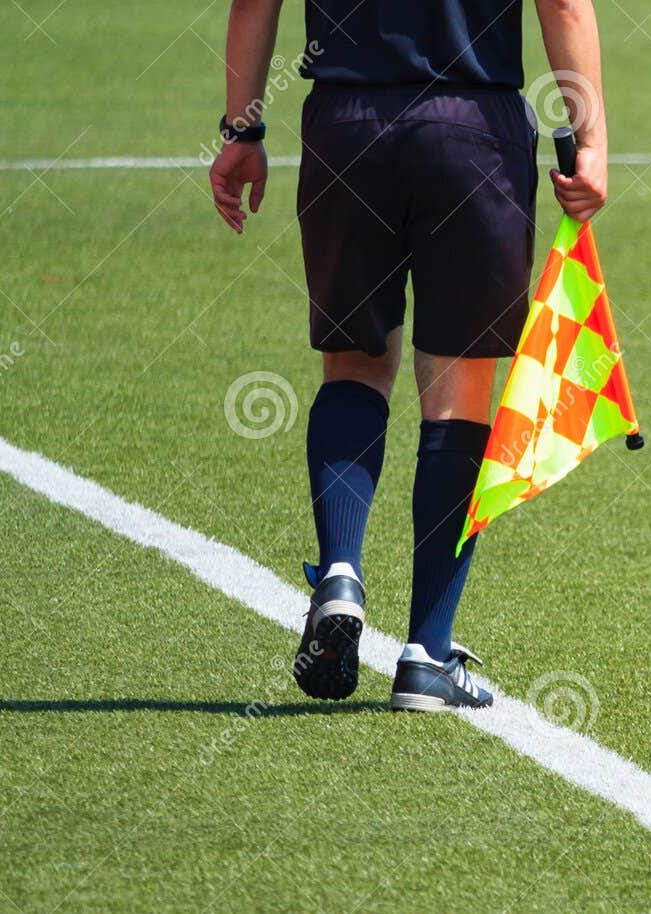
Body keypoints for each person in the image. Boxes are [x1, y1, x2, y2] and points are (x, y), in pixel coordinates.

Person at [208, 0, 608, 710]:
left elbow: (253, 3)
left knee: (356, 365)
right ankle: (427, 652)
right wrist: (593, 138)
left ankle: (339, 570)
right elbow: (566, 4)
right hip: (474, 132)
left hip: (347, 124)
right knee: (460, 388)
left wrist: (243, 127)